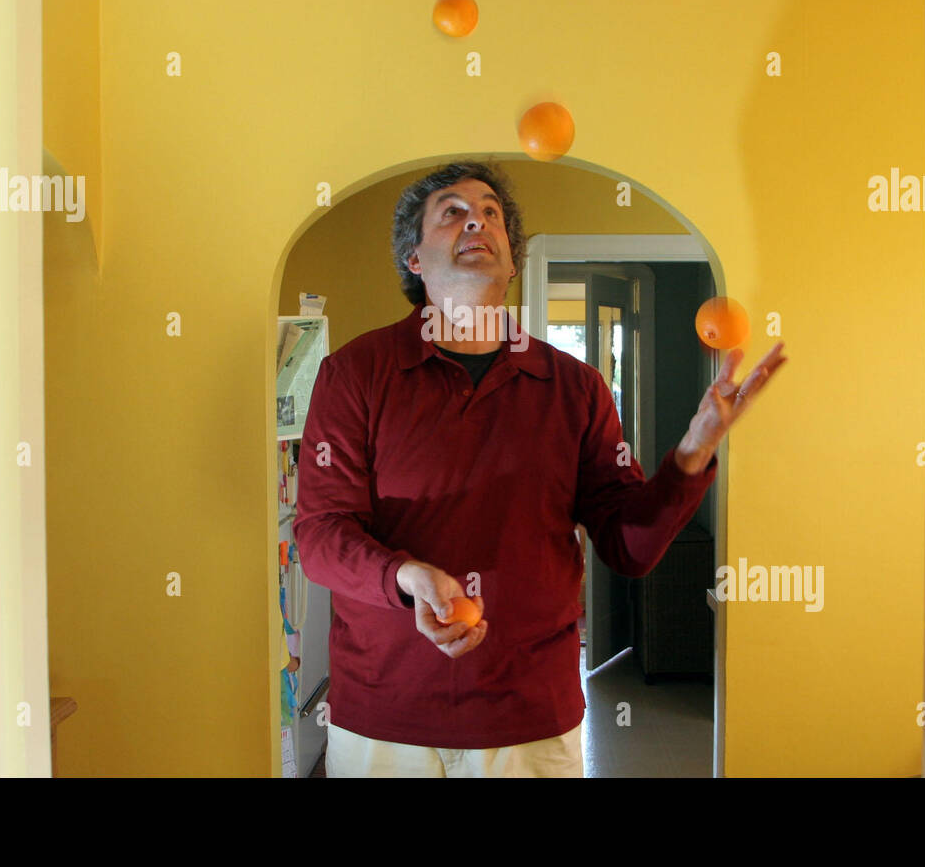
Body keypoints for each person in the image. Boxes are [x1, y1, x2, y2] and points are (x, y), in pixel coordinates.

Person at [292, 159, 787, 777]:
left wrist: (695, 447)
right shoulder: (354, 374)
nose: (477, 219)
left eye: (492, 213)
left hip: (530, 719)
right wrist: (406, 575)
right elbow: (319, 536)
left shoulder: (575, 387)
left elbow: (628, 546)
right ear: (413, 260)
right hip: (386, 716)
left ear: (511, 256)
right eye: (452, 211)